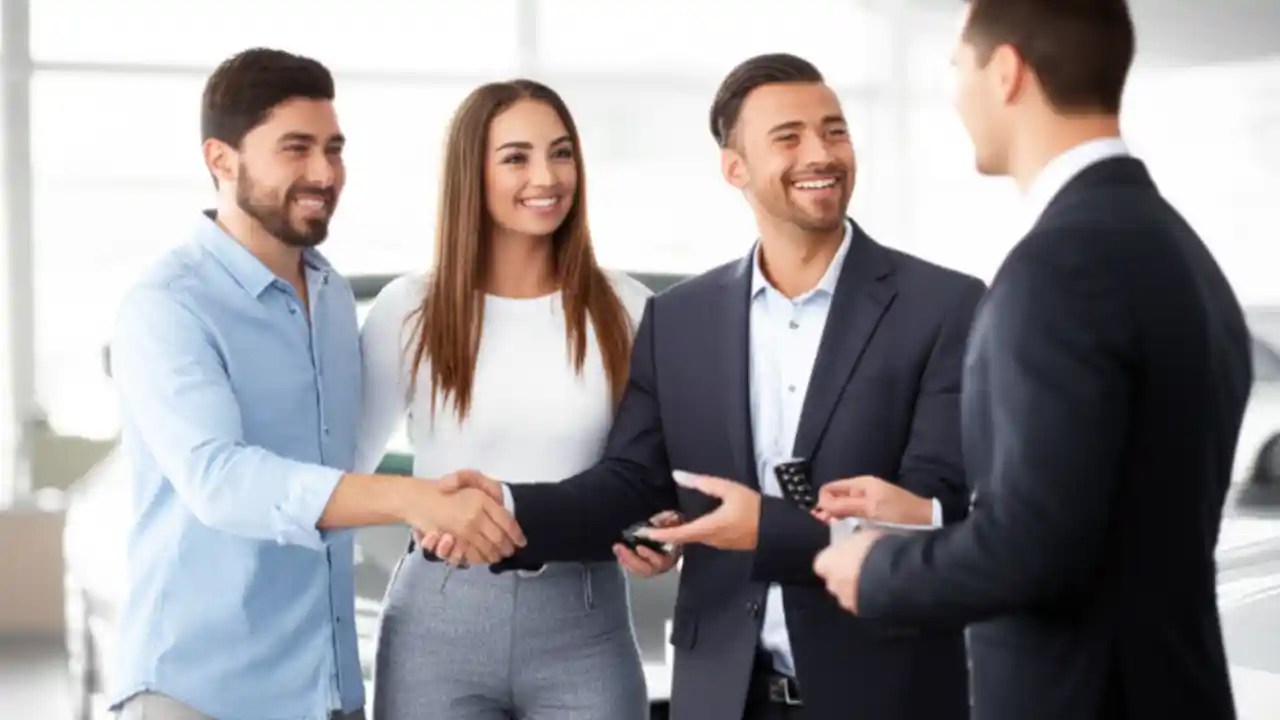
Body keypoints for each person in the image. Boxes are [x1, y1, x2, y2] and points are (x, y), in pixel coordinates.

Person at [430, 54, 986, 720]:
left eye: (834, 131)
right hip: (723, 695)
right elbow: (633, 482)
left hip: (887, 694)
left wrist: (765, 528)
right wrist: (510, 508)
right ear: (735, 168)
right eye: (790, 137)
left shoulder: (945, 306)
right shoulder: (680, 317)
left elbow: (940, 510)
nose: (822, 153)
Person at [811, 2, 1250, 720]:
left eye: (959, 70)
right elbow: (1097, 512)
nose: (954, 95)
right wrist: (929, 514)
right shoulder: (1176, 250)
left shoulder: (1060, 267)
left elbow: (1035, 550)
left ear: (1006, 72)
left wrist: (878, 568)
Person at [108, 48, 522, 720]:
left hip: (323, 693)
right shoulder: (168, 305)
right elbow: (220, 480)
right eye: (295, 149)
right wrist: (413, 498)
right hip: (199, 693)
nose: (324, 173)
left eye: (334, 148)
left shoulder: (329, 296)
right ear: (222, 160)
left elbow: (342, 466)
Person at [356, 79, 669, 720]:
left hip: (585, 625)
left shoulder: (630, 310)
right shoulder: (409, 309)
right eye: (516, 157)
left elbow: (655, 476)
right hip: (438, 625)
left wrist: (668, 535)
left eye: (561, 153)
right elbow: (342, 475)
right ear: (473, 172)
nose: (547, 176)